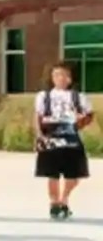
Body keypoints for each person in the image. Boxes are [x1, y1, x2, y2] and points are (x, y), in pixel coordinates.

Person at [34, 61, 94, 220]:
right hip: (50, 136)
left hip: (71, 137)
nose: (60, 78)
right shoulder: (44, 96)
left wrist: (81, 121)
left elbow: (89, 116)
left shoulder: (78, 97)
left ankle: (64, 198)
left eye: (63, 75)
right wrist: (39, 135)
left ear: (69, 78)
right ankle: (54, 204)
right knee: (52, 174)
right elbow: (38, 117)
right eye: (56, 75)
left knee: (74, 175)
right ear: (52, 78)